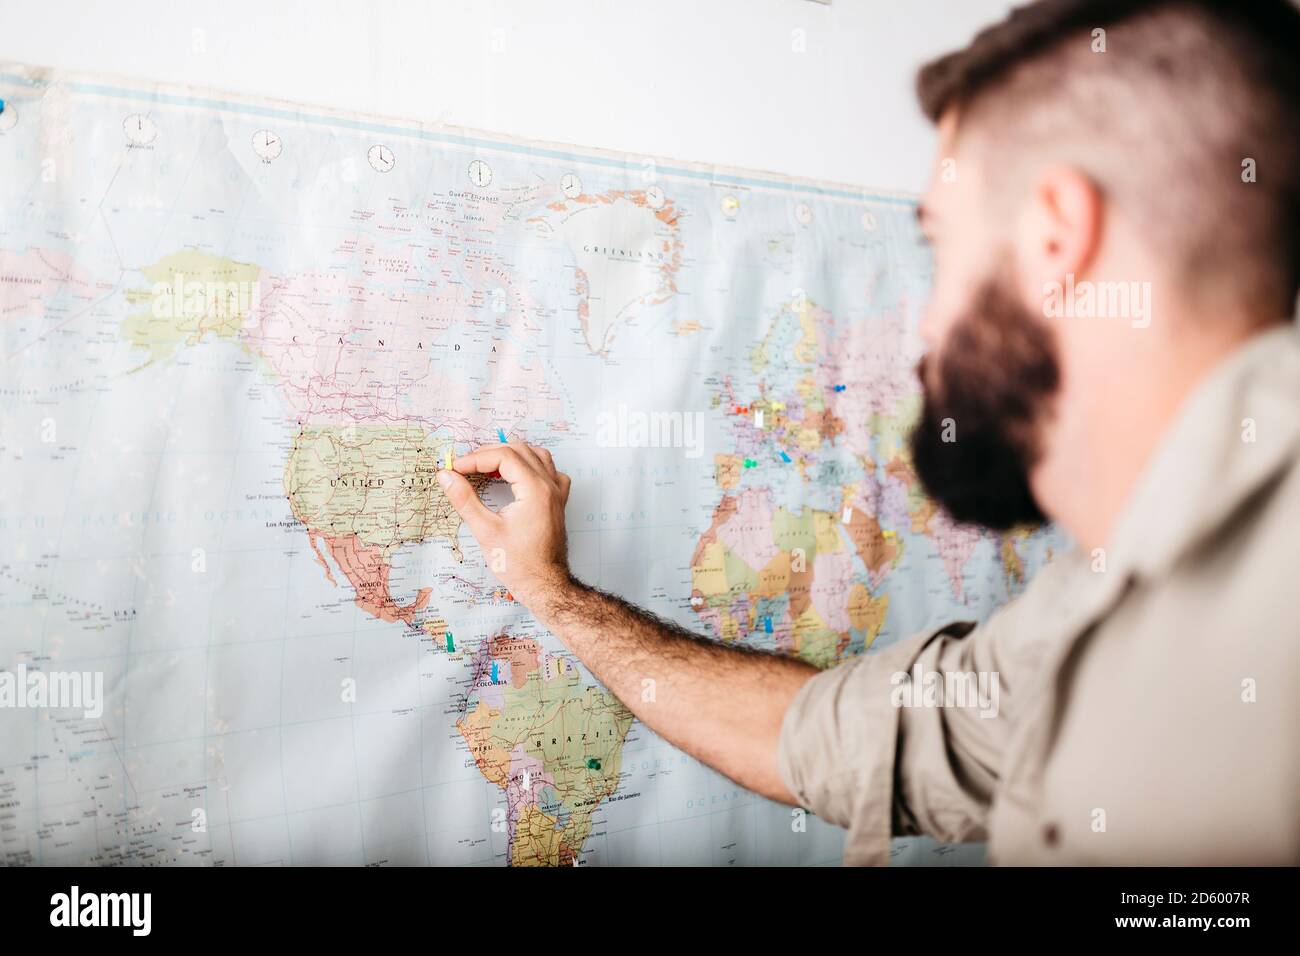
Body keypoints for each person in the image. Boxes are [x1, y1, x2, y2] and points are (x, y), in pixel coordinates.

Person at [436, 0, 1300, 865]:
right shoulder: (1087, 622)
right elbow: (837, 741)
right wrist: (552, 593)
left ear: (1055, 235)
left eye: (943, 246)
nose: (927, 325)